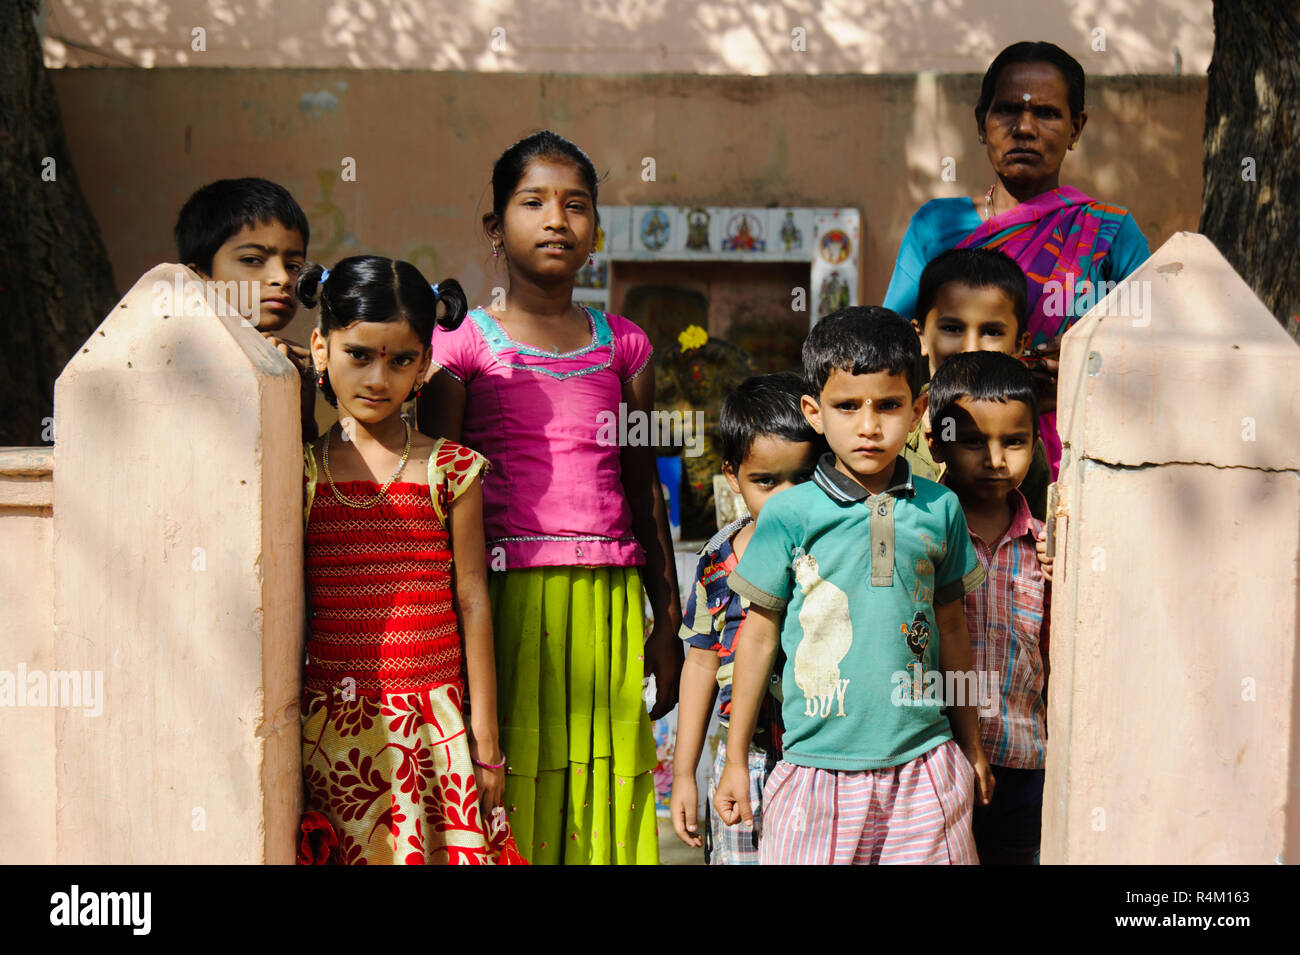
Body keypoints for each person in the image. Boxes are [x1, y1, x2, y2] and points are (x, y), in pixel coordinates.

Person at [420, 130, 682, 865]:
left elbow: (645, 489)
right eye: (533, 202)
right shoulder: (462, 348)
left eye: (576, 205)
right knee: (515, 777)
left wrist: (667, 622)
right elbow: (436, 497)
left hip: (607, 603)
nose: (556, 219)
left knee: (607, 779)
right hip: (502, 600)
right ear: (495, 228)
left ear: (595, 229)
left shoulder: (624, 347)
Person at [714, 307, 993, 865]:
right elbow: (759, 638)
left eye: (888, 406)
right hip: (817, 769)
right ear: (815, 413)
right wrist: (736, 759)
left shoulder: (940, 509)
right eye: (848, 407)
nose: (869, 426)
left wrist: (972, 746)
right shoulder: (791, 514)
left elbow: (953, 627)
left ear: (917, 411)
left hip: (924, 765)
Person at [295, 255, 523, 865]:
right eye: (359, 354)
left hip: (435, 728)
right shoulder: (301, 472)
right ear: (321, 348)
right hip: (333, 731)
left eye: (400, 360)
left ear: (425, 362)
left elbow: (473, 600)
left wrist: (486, 742)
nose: (378, 377)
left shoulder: (450, 469)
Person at [883, 41, 1151, 478]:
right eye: (1007, 110)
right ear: (981, 123)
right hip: (943, 451)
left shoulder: (1110, 233)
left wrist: (1089, 360)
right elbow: (892, 349)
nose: (1024, 128)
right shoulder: (935, 226)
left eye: (1046, 113)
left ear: (1076, 128)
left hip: (1073, 457)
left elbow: (1157, 350)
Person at [670, 372, 823, 864]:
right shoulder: (716, 558)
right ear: (732, 475)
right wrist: (683, 774)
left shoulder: (833, 550)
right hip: (744, 766)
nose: (784, 497)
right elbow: (700, 664)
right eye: (764, 481)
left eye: (801, 478)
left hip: (820, 761)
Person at [927, 351, 1050, 865]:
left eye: (1014, 442)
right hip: (933, 757)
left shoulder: (1047, 547)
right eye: (974, 441)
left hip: (1023, 758)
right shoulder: (918, 534)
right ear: (937, 443)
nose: (995, 459)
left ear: (1036, 444)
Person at [903, 247, 1050, 520]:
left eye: (991, 331)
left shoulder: (1021, 441)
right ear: (921, 336)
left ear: (1020, 344)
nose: (970, 346)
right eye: (952, 328)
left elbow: (1034, 529)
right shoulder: (893, 425)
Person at [174, 177, 317, 437]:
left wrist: (303, 413)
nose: (282, 279)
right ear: (200, 277)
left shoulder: (291, 363)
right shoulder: (173, 367)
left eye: (294, 265)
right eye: (252, 259)